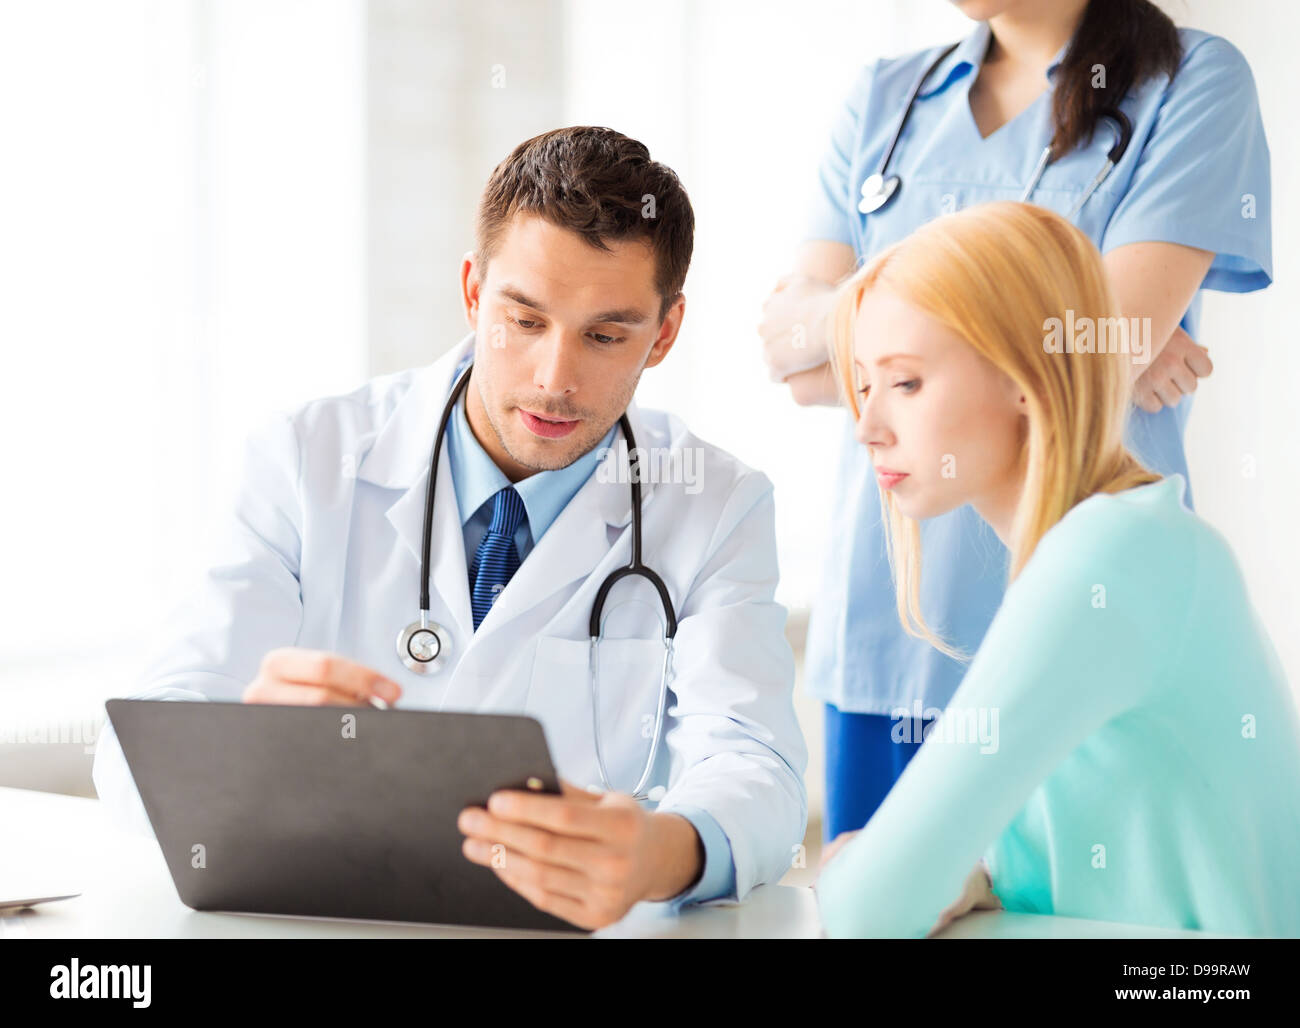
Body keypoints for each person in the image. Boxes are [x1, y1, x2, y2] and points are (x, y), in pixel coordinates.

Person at [93, 126, 808, 931]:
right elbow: (135, 750)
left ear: (665, 333)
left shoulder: (715, 504)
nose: (555, 378)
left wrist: (659, 851)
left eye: (606, 336)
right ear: (473, 293)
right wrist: (241, 748)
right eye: (524, 320)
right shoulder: (306, 458)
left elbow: (758, 771)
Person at [760, 0, 1272, 842]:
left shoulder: (1191, 80)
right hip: (890, 624)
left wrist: (853, 317)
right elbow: (795, 360)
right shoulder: (887, 97)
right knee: (881, 909)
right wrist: (1064, 330)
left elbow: (1111, 340)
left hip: (1081, 616)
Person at [813, 201, 1299, 938]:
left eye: (905, 383)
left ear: (1023, 375)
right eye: (863, 384)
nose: (868, 426)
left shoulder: (1112, 556)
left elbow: (865, 909)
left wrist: (865, 871)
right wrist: (978, 876)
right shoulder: (1126, 542)